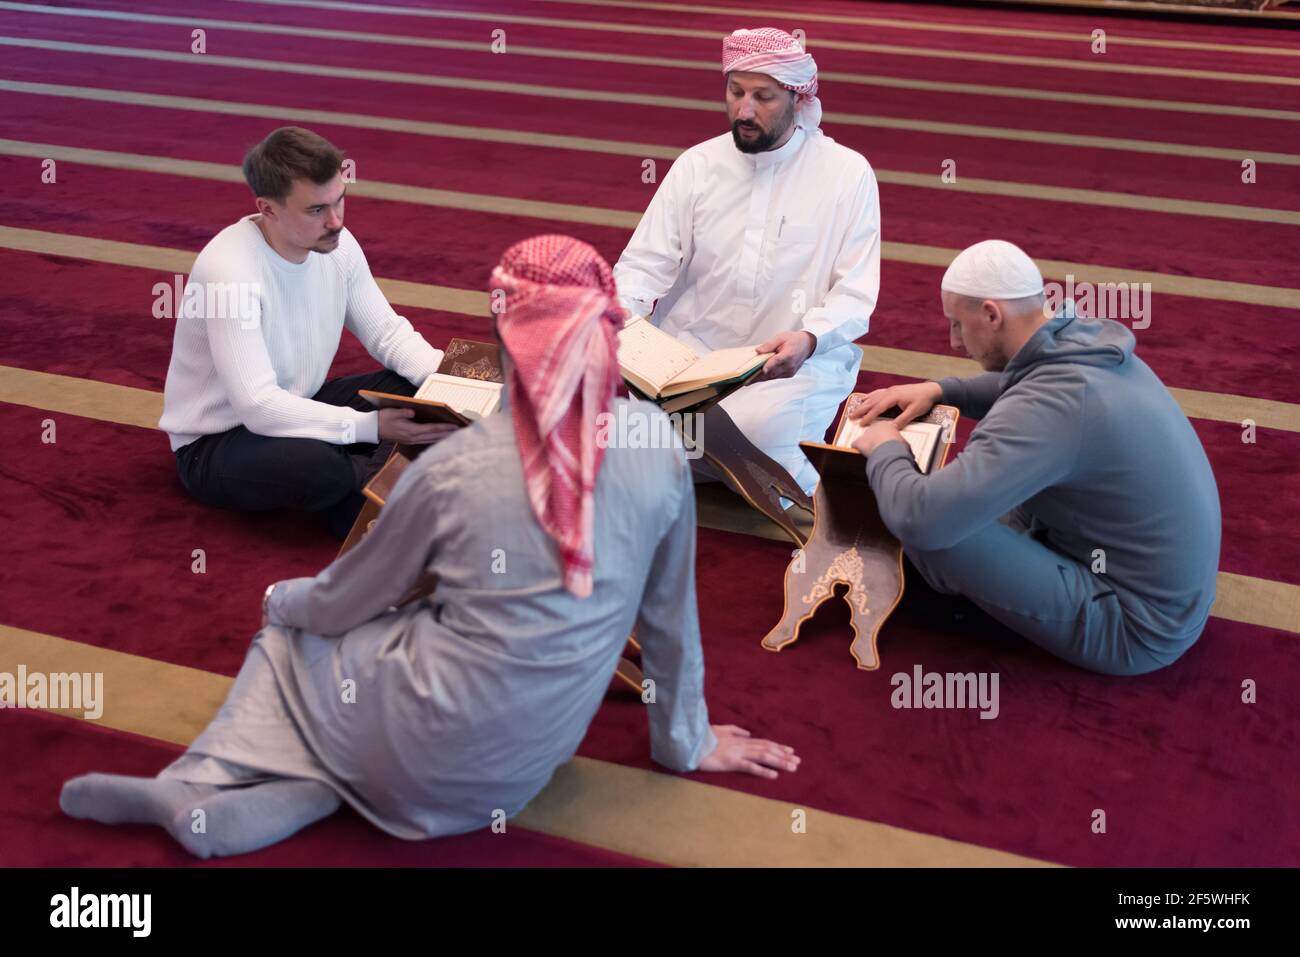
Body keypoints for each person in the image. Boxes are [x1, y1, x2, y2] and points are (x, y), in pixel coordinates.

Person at [61, 235, 798, 858]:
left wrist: (277, 596)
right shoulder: (660, 451)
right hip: (517, 773)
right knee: (391, 652)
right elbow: (669, 622)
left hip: (423, 737)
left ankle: (203, 779)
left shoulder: (451, 469)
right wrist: (686, 742)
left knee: (291, 636)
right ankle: (306, 789)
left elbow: (341, 600)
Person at [849, 239, 1221, 675]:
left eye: (957, 324)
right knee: (971, 498)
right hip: (1168, 594)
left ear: (991, 314)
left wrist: (886, 449)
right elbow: (1023, 385)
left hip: (1135, 629)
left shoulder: (1054, 404)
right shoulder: (1081, 343)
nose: (952, 341)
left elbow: (924, 519)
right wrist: (942, 390)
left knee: (936, 530)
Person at [613, 27, 881, 495]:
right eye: (735, 92)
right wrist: (618, 325)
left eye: (764, 97)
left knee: (756, 438)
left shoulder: (846, 174)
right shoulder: (698, 165)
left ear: (798, 100)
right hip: (688, 363)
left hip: (788, 367)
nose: (745, 110)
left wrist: (809, 338)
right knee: (619, 436)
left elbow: (854, 292)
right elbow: (640, 268)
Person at [159, 126, 453, 539]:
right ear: (269, 209)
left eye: (340, 201)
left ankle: (372, 492)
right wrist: (370, 428)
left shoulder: (338, 244)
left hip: (300, 402)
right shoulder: (229, 274)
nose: (336, 221)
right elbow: (258, 407)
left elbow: (387, 333)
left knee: (417, 390)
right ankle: (377, 486)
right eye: (316, 210)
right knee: (312, 464)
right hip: (218, 444)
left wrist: (452, 386)